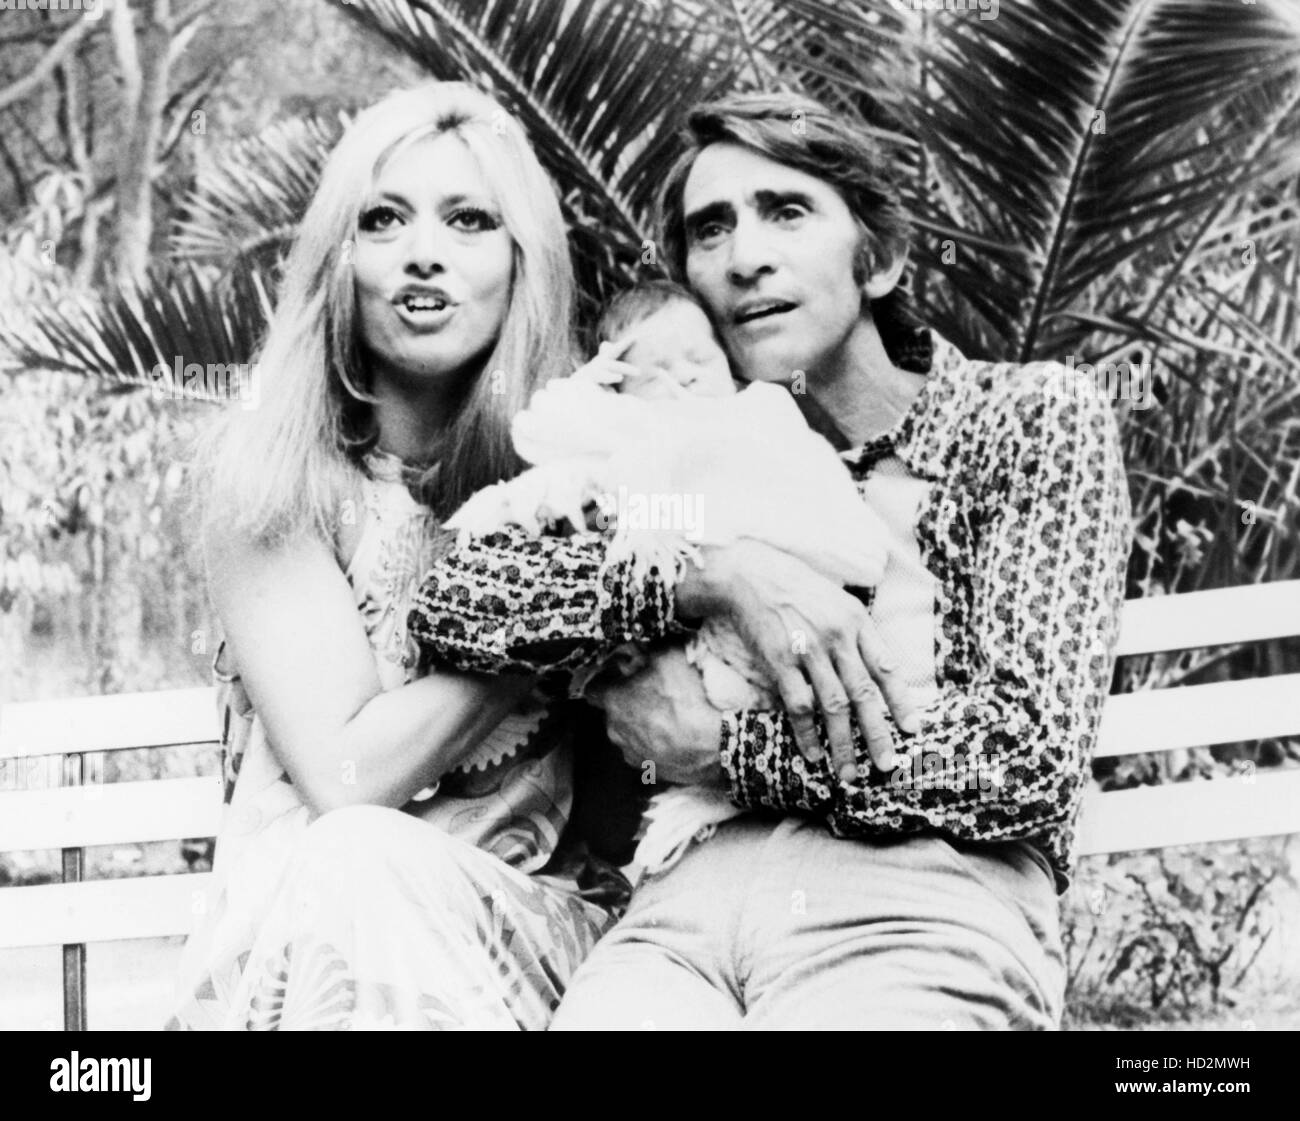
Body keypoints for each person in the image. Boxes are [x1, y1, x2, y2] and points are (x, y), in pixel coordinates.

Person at [409, 92, 1134, 1029]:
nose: (745, 255)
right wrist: (714, 575)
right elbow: (457, 602)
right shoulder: (674, 452)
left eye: (785, 211)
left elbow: (1022, 762)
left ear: (880, 260)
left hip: (914, 902)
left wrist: (725, 748)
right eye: (710, 230)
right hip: (681, 913)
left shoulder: (1028, 418)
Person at [165, 82, 620, 1031]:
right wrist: (561, 603)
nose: (424, 253)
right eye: (383, 219)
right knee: (356, 862)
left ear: (520, 262)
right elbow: (345, 778)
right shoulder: (272, 482)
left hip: (527, 943)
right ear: (342, 259)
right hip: (306, 944)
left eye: (469, 220)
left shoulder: (592, 468)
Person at [418, 278, 891, 881]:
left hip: (795, 644)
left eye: (700, 359)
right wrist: (707, 566)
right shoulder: (622, 449)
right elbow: (452, 602)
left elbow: (826, 522)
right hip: (675, 683)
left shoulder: (765, 419)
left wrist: (723, 543)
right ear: (616, 391)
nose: (685, 379)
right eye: (655, 372)